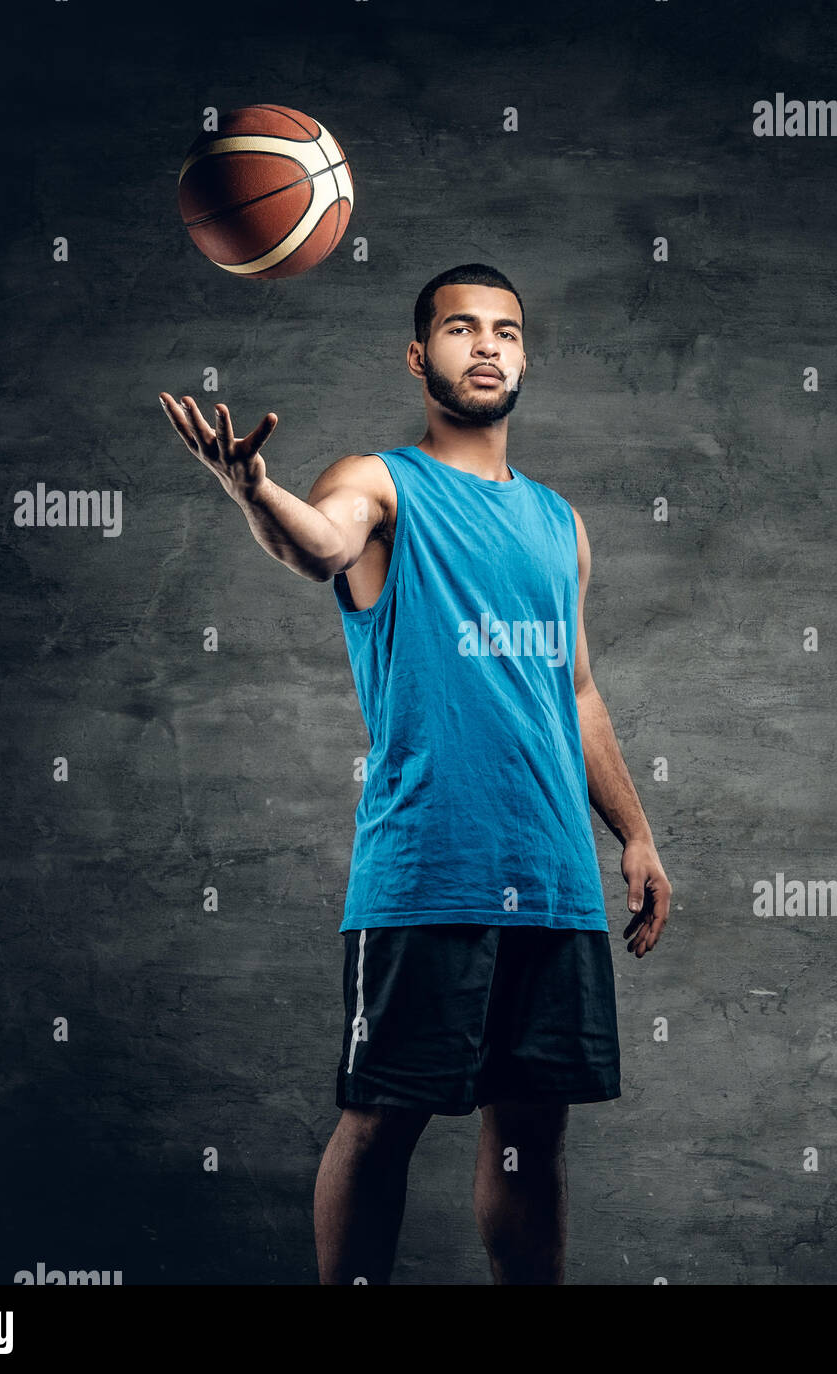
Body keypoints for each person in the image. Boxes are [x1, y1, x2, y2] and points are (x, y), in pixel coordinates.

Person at [158, 263, 673, 1284]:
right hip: (429, 873)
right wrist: (255, 490)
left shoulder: (560, 523)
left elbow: (575, 691)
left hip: (555, 880)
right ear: (417, 355)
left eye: (506, 332)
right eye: (460, 328)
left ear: (524, 357)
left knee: (533, 1132)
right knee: (381, 1119)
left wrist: (637, 834)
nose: (486, 346)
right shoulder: (382, 485)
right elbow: (318, 546)